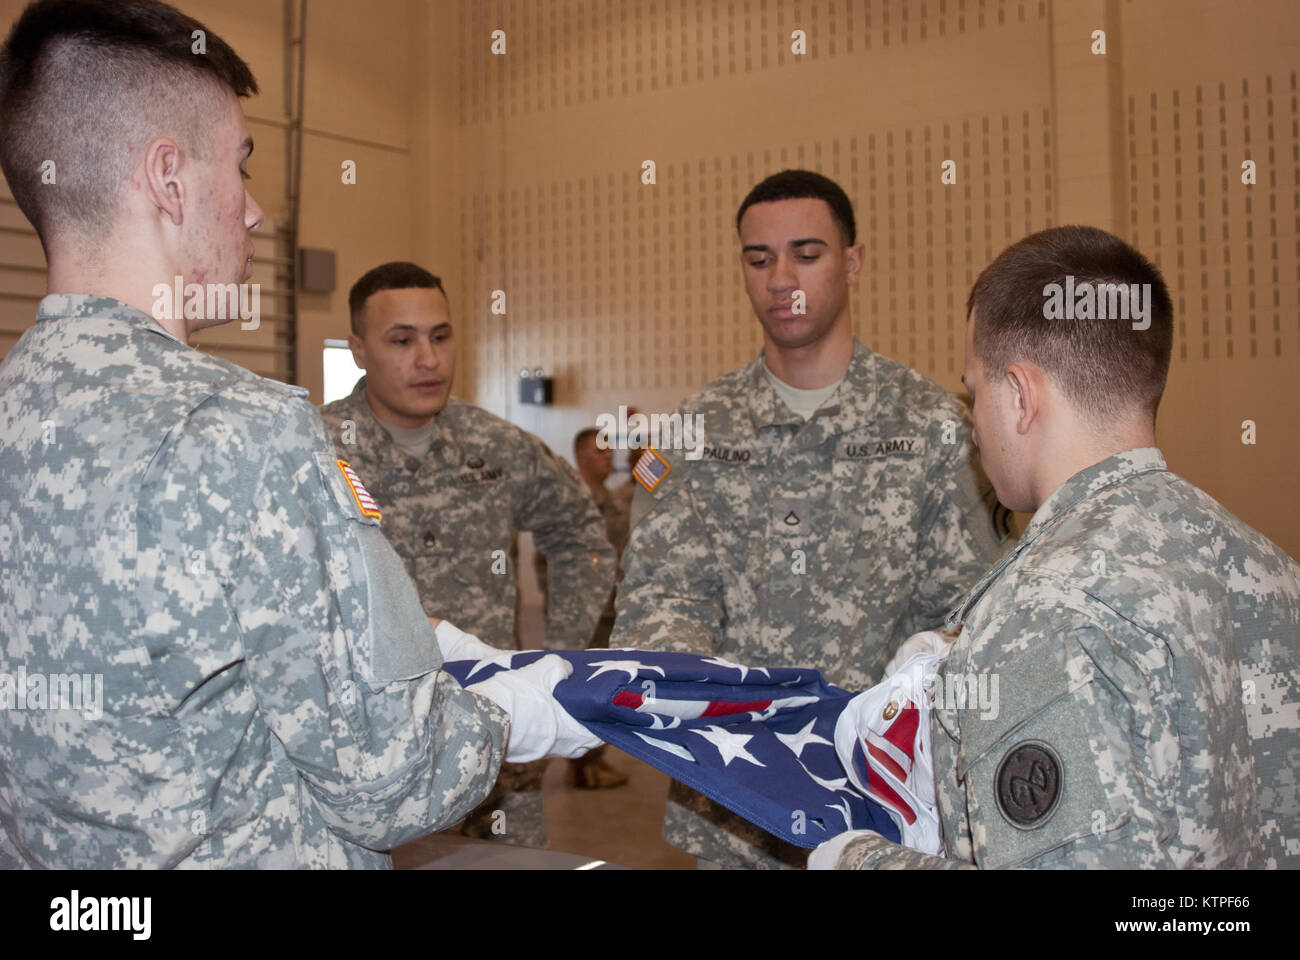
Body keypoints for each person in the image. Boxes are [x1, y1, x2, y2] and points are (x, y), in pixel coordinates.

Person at [0, 0, 594, 869]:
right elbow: (387, 778)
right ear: (168, 180)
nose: (253, 213)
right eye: (239, 167)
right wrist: (517, 714)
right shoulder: (247, 428)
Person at [813, 225, 1300, 869]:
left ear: (1020, 394)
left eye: (974, 391)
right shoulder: (1267, 566)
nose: (975, 428)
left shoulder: (1040, 609)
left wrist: (858, 862)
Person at [612, 169, 1007, 868]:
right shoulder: (692, 434)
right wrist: (717, 712)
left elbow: (972, 615)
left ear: (853, 262)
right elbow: (659, 600)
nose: (780, 278)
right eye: (758, 258)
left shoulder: (932, 428)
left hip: (881, 800)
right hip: (733, 796)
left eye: (807, 253)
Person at [320, 262, 616, 846]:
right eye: (401, 340)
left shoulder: (496, 445)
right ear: (358, 350)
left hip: (493, 754)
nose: (427, 358)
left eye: (441, 336)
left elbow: (581, 532)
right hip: (360, 759)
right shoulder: (313, 449)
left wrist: (555, 657)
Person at [565, 427, 631, 788]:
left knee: (607, 686)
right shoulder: (573, 501)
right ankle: (582, 765)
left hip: (611, 608)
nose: (607, 459)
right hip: (586, 613)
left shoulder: (609, 498)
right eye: (598, 453)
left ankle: (595, 758)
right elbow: (551, 561)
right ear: (579, 457)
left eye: (609, 453)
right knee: (584, 688)